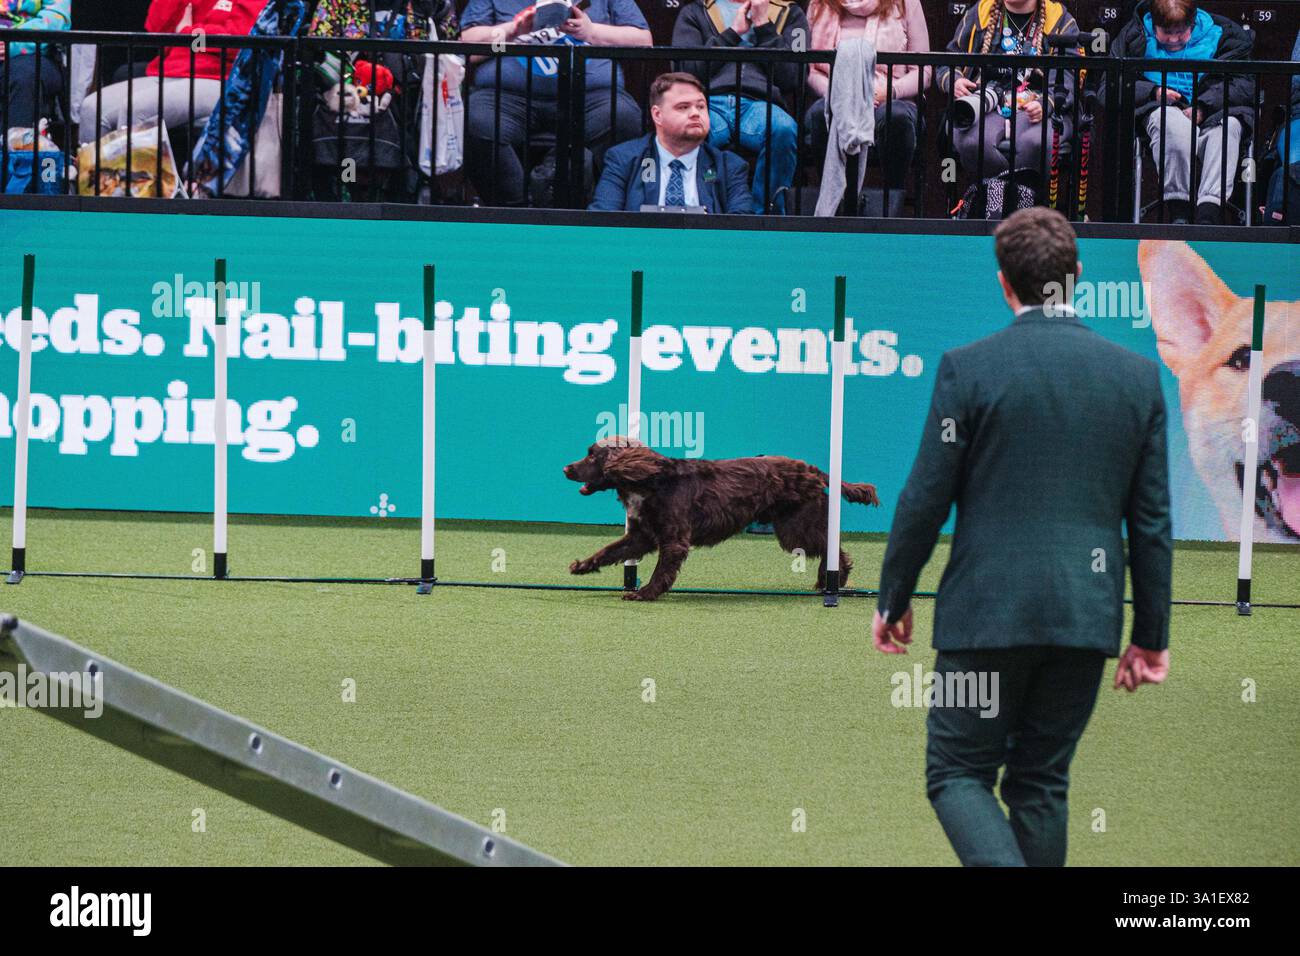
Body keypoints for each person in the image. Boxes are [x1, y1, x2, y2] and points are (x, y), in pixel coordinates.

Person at [872, 207, 1172, 867]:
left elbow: (925, 498)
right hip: (1082, 619)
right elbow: (1150, 522)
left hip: (983, 619)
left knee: (955, 771)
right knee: (1041, 783)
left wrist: (893, 598)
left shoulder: (967, 369)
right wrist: (1150, 636)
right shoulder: (1137, 378)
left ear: (1003, 283)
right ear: (1078, 276)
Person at [460, 0, 650, 207]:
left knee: (623, 116)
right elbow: (470, 45)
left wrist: (590, 32)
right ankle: (517, 210)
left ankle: (596, 208)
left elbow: (643, 39)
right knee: (474, 119)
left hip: (590, 97)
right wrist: (513, 30)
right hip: (509, 97)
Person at [1111, 0, 1255, 225]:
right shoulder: (1133, 37)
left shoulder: (1224, 35)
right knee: (1170, 121)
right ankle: (1180, 212)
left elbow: (1245, 86)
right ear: (1154, 23)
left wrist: (1204, 107)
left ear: (1193, 22)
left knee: (1230, 129)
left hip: (1213, 113)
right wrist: (1154, 93)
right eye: (1166, 32)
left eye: (1181, 32)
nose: (1174, 39)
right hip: (1163, 111)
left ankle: (1209, 213)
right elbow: (1109, 86)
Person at [672, 0, 809, 214]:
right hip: (707, 103)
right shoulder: (695, 11)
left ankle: (766, 215)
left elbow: (794, 76)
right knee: (692, 130)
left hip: (759, 104)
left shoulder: (791, 14)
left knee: (783, 129)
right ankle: (705, 211)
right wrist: (733, 33)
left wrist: (764, 25)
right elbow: (686, 71)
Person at [805, 0, 929, 218]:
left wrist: (889, 91)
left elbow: (923, 72)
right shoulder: (820, 4)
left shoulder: (906, 3)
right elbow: (813, 71)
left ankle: (892, 202)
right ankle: (836, 201)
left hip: (890, 96)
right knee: (817, 115)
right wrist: (841, 94)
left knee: (896, 118)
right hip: (837, 96)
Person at [78, 0, 263, 145]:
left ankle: (136, 190)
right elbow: (157, 28)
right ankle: (96, 188)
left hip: (220, 78)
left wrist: (188, 34)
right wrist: (190, 35)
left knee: (136, 108)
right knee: (92, 108)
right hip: (172, 71)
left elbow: (238, 43)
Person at [936, 0, 1080, 184]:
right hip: (989, 104)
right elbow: (947, 63)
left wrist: (1047, 103)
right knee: (972, 142)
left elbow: (1070, 75)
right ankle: (993, 203)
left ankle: (1025, 206)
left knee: (1034, 143)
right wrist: (954, 81)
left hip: (1036, 108)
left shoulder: (1059, 19)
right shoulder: (981, 13)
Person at [589, 71, 753, 213]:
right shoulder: (624, 159)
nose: (695, 113)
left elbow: (743, 229)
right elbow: (603, 220)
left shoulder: (728, 166)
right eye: (683, 107)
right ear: (657, 115)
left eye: (701, 106)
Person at [0, 0, 70, 131]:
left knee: (25, 76)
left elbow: (56, 20)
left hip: (33, 55)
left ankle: (15, 148)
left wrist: (10, 42)